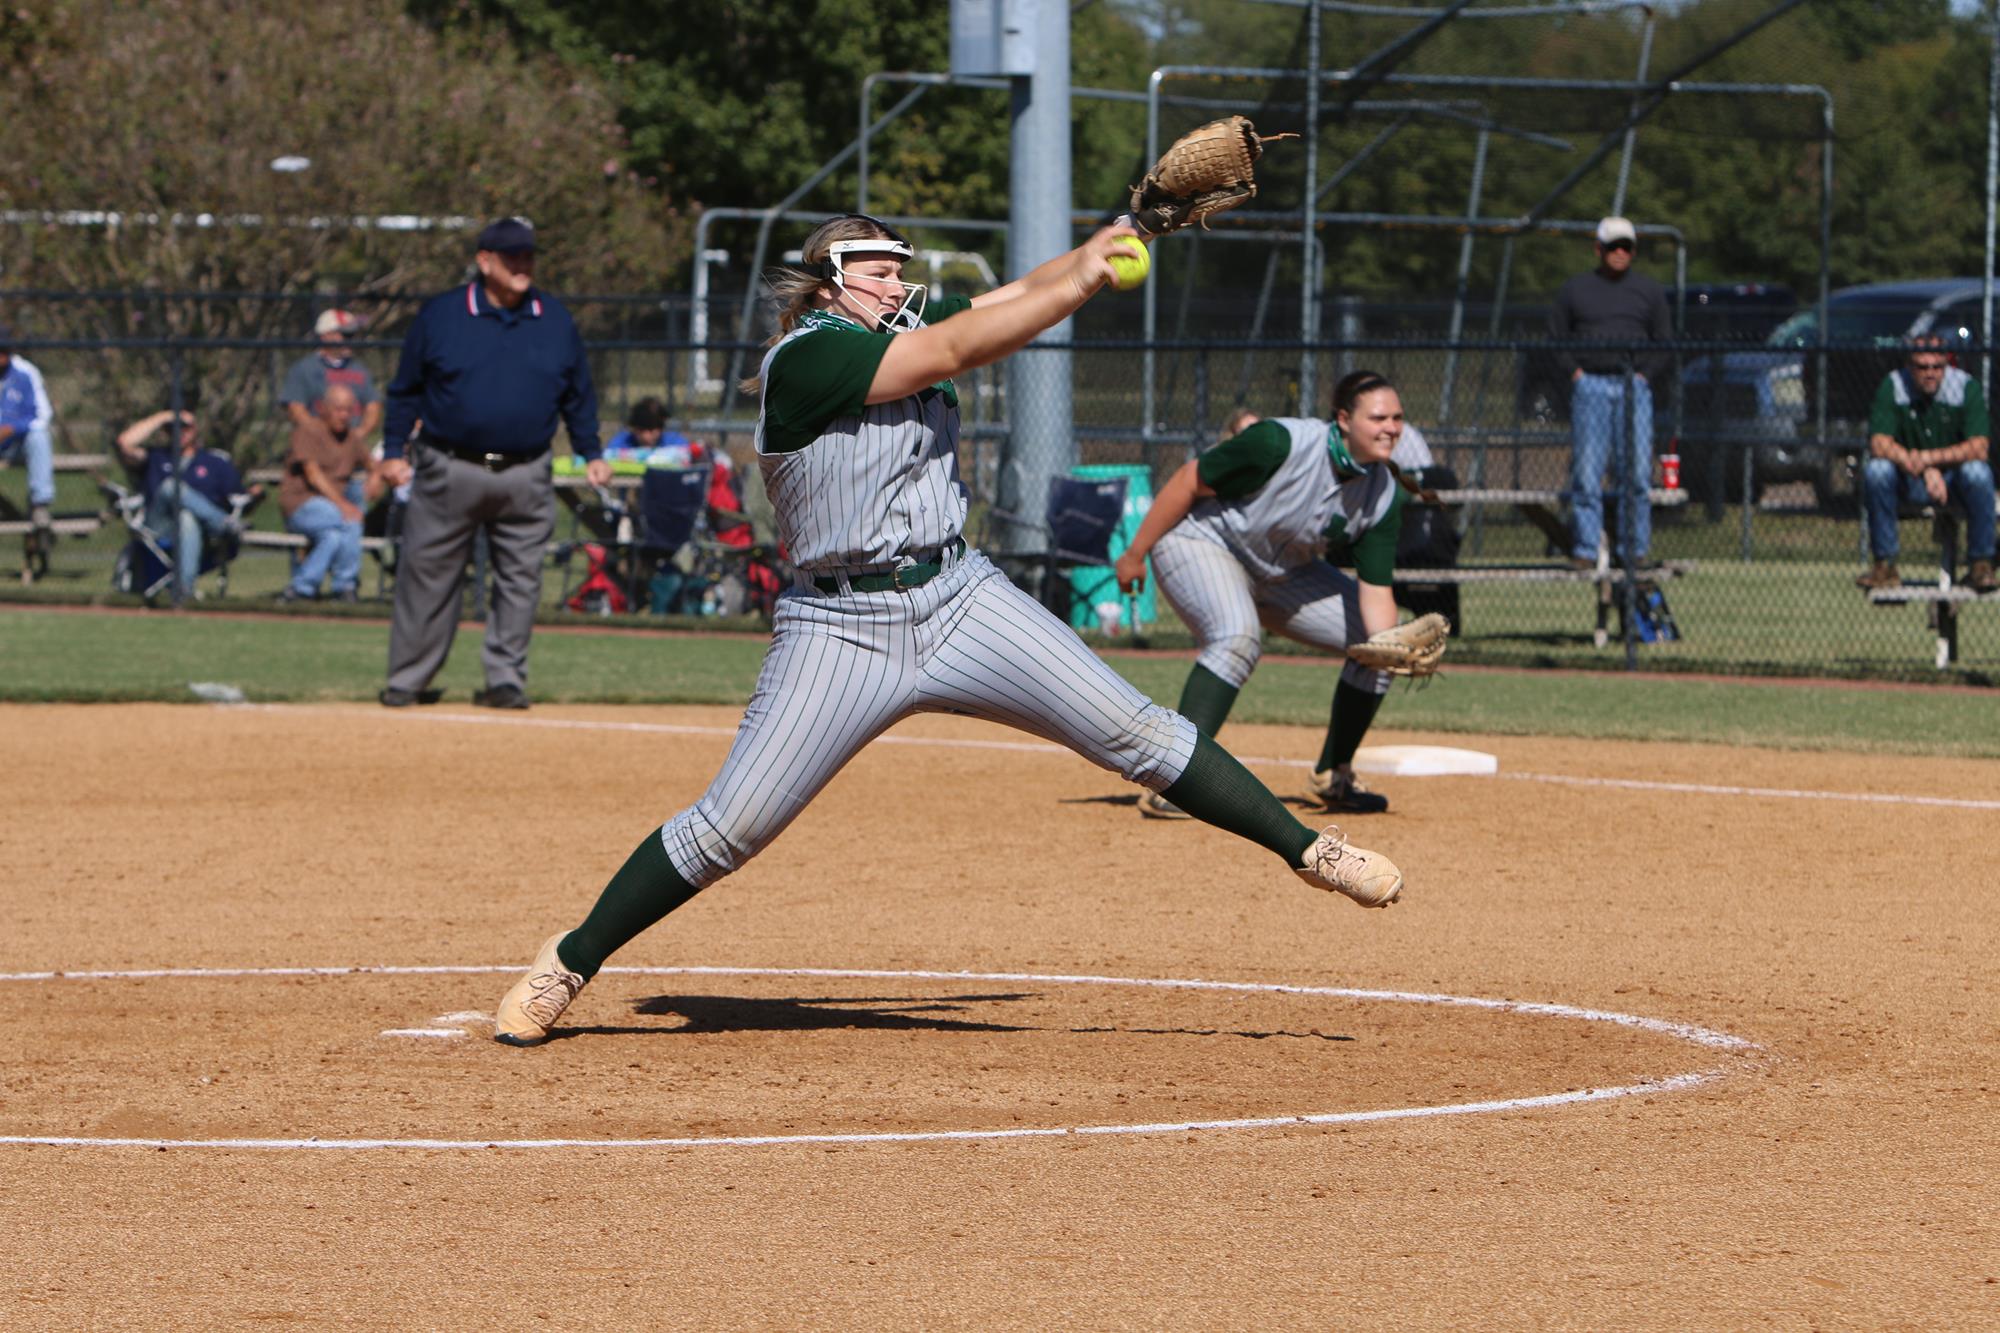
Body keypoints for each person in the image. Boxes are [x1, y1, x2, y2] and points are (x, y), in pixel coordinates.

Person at [490, 214, 1405, 1047]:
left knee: (1136, 729)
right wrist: (1086, 284)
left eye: (899, 270)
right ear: (827, 282)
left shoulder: (891, 330)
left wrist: (1102, 244)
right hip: (839, 624)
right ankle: (570, 958)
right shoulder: (807, 357)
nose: (896, 285)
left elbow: (1003, 297)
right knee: (730, 828)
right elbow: (967, 341)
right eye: (877, 271)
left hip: (960, 594)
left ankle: (1309, 850)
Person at [1113, 372, 1416, 820]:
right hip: (1202, 544)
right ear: (1344, 419)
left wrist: (1389, 647)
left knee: (1382, 648)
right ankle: (1175, 780)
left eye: (1397, 417)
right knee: (1237, 637)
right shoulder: (1280, 442)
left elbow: (1376, 592)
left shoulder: (1383, 493)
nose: (1391, 427)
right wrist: (1135, 553)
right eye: (1378, 417)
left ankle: (1334, 775)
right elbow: (1188, 480)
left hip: (1281, 573)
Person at [377, 216, 609, 710]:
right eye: (511, 257)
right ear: (484, 261)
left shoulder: (553, 317)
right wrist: (393, 450)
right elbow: (405, 391)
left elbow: (578, 395)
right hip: (448, 466)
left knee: (521, 579)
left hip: (526, 470)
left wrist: (591, 451)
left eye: (528, 255)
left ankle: (505, 679)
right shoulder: (442, 316)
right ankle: (408, 679)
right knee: (428, 575)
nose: (522, 265)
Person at [1549, 217, 1671, 569]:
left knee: (1634, 474)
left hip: (1633, 387)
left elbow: (1664, 342)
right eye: (1614, 246)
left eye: (1627, 247)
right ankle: (1587, 549)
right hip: (1591, 387)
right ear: (1598, 249)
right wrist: (1576, 374)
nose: (1620, 253)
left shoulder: (1648, 291)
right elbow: (1556, 338)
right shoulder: (1576, 289)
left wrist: (1644, 377)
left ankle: (1633, 549)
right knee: (1587, 473)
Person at [1856, 339, 1997, 593]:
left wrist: (1929, 460)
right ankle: (1885, 566)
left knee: (1978, 473)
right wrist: (1922, 469)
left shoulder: (1965, 387)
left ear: (1946, 365)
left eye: (1937, 366)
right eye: (1922, 367)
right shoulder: (1894, 385)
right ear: (1909, 366)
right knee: (1877, 471)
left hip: (1955, 483)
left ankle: (1981, 564)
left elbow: (1979, 448)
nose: (1930, 373)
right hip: (1908, 480)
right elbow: (1879, 443)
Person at [114, 406, 255, 600]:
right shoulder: (155, 457)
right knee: (171, 487)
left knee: (187, 518)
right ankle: (224, 523)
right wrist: (163, 416)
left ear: (196, 429)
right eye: (172, 427)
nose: (179, 432)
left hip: (201, 532)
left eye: (185, 427)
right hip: (159, 527)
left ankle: (183, 592)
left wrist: (256, 493)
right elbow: (124, 443)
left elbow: (241, 497)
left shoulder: (215, 462)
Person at [278, 383, 381, 602]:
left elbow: (373, 464)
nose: (344, 415)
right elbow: (313, 474)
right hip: (302, 504)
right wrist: (342, 505)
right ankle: (345, 585)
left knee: (333, 537)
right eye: (338, 409)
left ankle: (306, 589)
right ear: (323, 408)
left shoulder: (351, 438)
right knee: (348, 520)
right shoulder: (308, 431)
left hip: (332, 509)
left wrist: (375, 477)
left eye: (348, 410)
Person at [279, 309, 382, 440]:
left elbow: (373, 407)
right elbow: (296, 409)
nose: (348, 339)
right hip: (315, 444)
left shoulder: (360, 370)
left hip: (352, 444)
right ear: (325, 335)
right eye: (344, 334)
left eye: (351, 335)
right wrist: (323, 438)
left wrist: (358, 435)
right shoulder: (304, 369)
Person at [0, 327, 57, 536]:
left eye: (3, 351)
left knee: (39, 436)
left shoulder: (25, 372)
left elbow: (42, 415)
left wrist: (11, 428)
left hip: (17, 444)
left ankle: (40, 505)